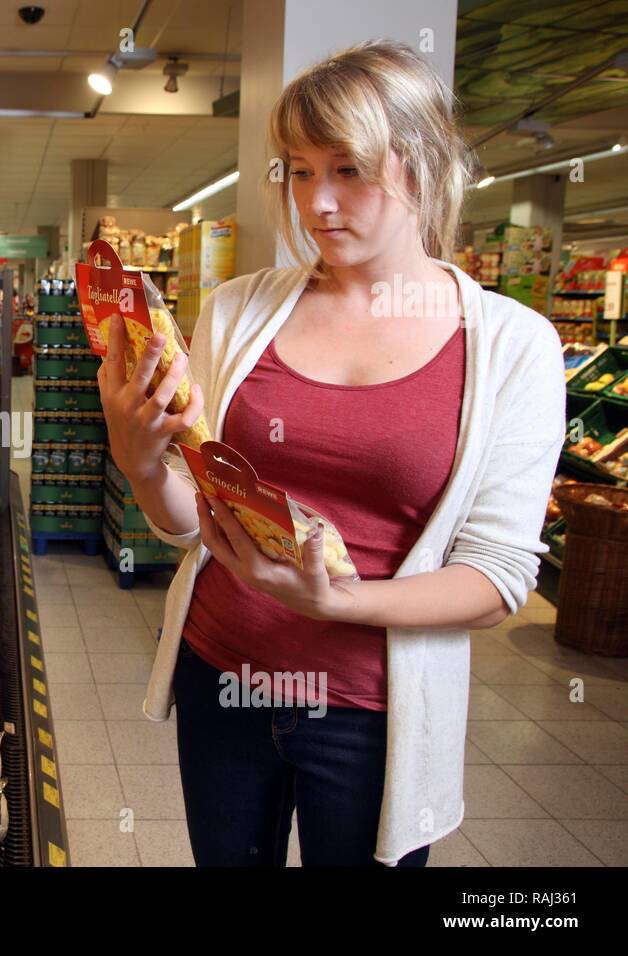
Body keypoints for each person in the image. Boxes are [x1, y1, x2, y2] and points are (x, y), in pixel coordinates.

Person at [97, 40, 564, 867]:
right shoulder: (239, 313)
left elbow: (497, 581)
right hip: (223, 681)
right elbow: (194, 520)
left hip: (371, 712)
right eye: (298, 170)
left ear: (419, 165)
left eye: (348, 169)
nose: (317, 202)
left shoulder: (512, 347)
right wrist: (141, 463)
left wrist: (336, 605)